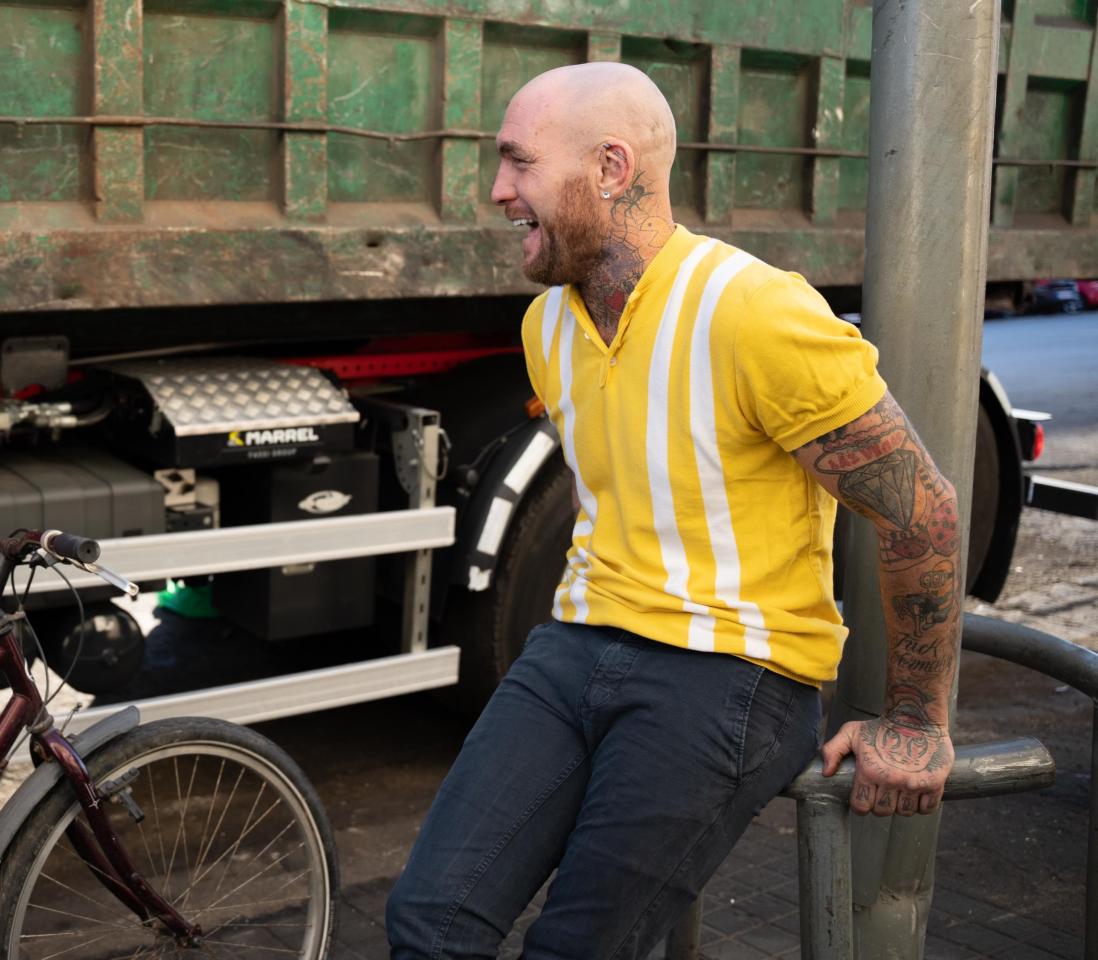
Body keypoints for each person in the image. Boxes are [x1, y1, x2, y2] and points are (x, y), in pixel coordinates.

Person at [385, 63, 961, 958]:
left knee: (577, 949)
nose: (497, 191)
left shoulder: (757, 312)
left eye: (518, 163)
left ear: (611, 168)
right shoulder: (548, 328)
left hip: (732, 670)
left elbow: (921, 512)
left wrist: (918, 721)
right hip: (576, 644)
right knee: (427, 925)